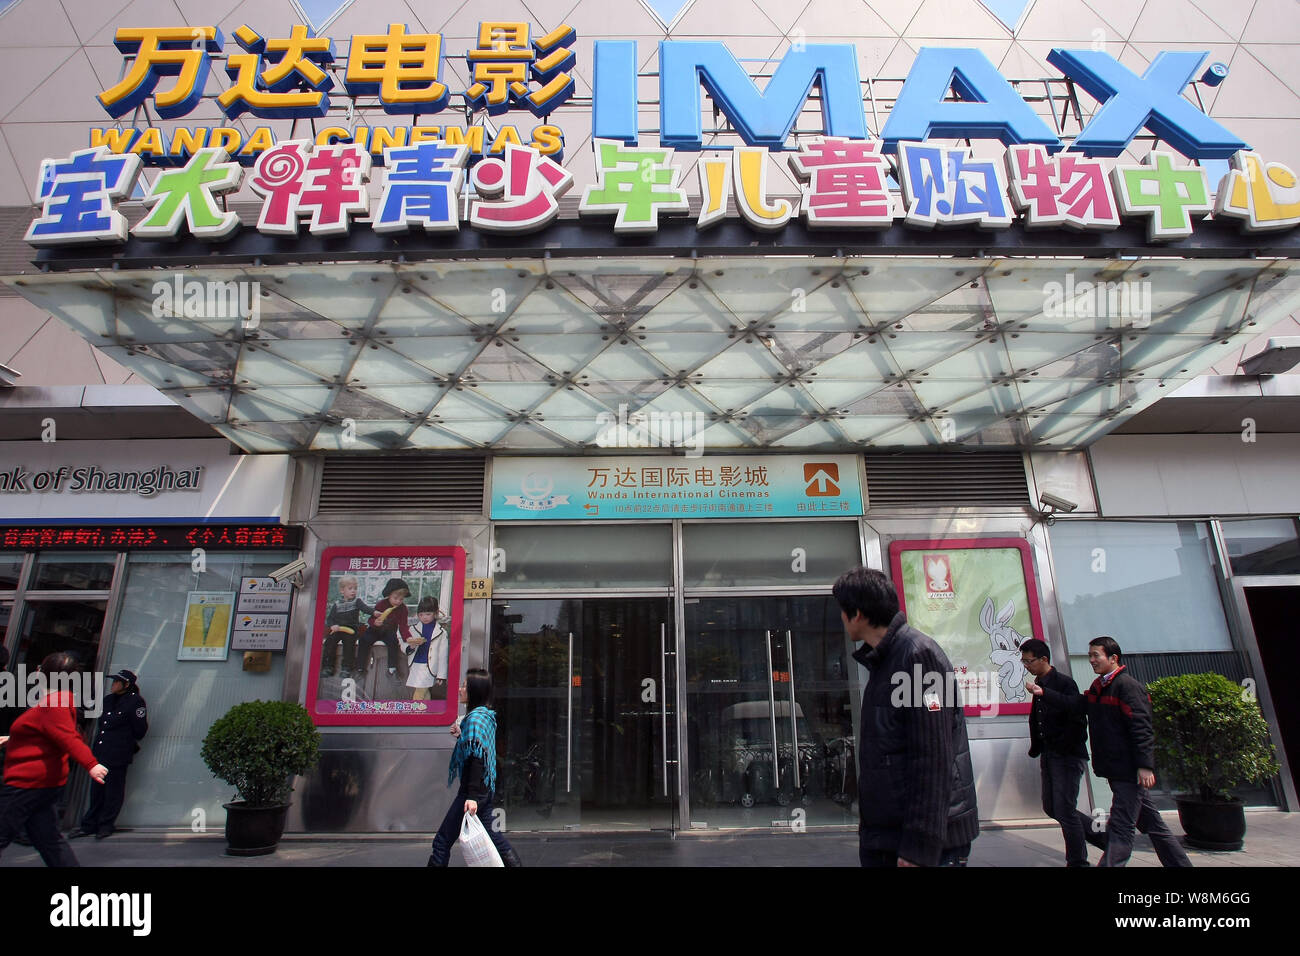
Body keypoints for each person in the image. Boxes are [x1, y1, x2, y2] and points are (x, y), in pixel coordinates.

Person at [834, 566, 978, 867]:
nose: (841, 618)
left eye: (842, 611)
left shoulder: (916, 657)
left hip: (919, 845)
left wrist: (918, 847)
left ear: (857, 614)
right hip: (888, 836)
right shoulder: (886, 659)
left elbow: (933, 757)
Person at [1028, 636, 1192, 868]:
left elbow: (1142, 728)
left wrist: (1145, 766)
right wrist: (1043, 693)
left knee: (1121, 829)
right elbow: (1075, 704)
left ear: (1113, 658)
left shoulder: (1127, 686)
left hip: (1129, 770)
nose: (1092, 660)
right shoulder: (1099, 687)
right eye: (1090, 656)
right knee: (1153, 826)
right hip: (1115, 769)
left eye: (1097, 655)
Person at [0, 652, 109, 867]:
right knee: (49, 842)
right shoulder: (58, 701)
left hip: (27, 784)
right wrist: (15, 738)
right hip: (42, 784)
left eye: (40, 667)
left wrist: (91, 764)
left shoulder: (55, 703)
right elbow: (49, 734)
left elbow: (68, 738)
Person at [1019, 638, 1105, 866]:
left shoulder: (1063, 683)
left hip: (1066, 755)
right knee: (1051, 806)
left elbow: (1076, 710)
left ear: (1044, 659)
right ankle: (1105, 839)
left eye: (1029, 661)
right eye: (1024, 661)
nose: (1026, 666)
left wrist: (1043, 693)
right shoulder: (1039, 682)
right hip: (1049, 754)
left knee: (1065, 809)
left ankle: (1078, 861)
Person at [427, 668, 521, 867]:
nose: (460, 690)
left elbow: (477, 759)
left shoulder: (475, 720)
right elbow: (477, 749)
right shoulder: (483, 716)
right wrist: (462, 735)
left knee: (442, 841)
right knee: (496, 840)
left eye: (464, 686)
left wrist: (470, 796)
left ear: (474, 691)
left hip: (473, 792)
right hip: (482, 790)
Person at [72, 668, 147, 839]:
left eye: (116, 682)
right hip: (101, 751)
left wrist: (125, 741)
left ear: (126, 684)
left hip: (118, 753)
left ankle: (106, 825)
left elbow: (140, 730)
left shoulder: (135, 702)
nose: (113, 685)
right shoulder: (108, 700)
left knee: (113, 791)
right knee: (96, 790)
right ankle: (90, 824)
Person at [322, 576, 373, 678]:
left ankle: (346, 668)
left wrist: (375, 612)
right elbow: (330, 619)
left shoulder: (357, 601)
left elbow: (365, 609)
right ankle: (328, 667)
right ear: (342, 591)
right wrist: (333, 625)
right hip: (338, 629)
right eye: (350, 589)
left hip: (351, 629)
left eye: (355, 588)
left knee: (349, 643)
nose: (353, 591)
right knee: (329, 642)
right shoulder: (337, 604)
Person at [400, 596, 449, 701]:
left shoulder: (441, 632)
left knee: (420, 692)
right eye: (421, 614)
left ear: (435, 613)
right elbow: (403, 644)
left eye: (428, 614)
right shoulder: (412, 629)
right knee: (423, 691)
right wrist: (411, 646)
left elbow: (443, 655)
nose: (424, 617)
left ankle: (415, 714)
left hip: (430, 666)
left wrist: (441, 675)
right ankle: (426, 713)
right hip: (415, 665)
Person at [359, 579, 409, 679]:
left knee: (393, 642)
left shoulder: (403, 609)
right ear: (389, 595)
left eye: (401, 599)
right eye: (395, 598)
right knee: (364, 640)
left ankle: (392, 669)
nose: (398, 601)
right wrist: (375, 622)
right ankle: (360, 668)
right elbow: (371, 619)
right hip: (374, 630)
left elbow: (403, 625)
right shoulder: (381, 604)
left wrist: (408, 638)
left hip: (389, 631)